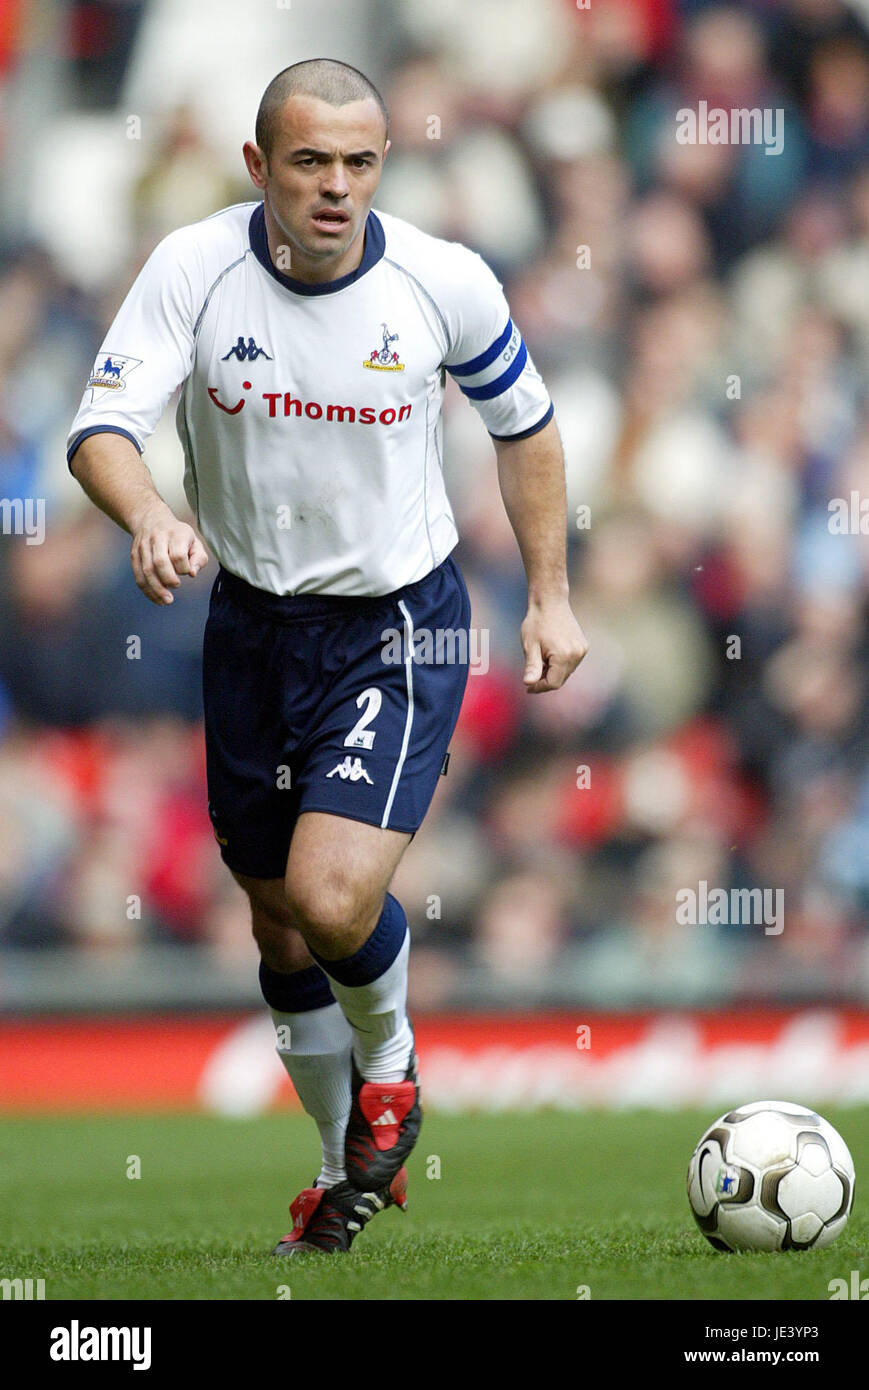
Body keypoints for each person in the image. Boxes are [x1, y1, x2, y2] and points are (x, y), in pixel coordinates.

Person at [67, 58, 588, 1256]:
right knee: (277, 927)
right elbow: (102, 428)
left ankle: (394, 1068)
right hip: (250, 628)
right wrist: (147, 510)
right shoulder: (192, 269)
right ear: (259, 166)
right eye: (310, 161)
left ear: (383, 165)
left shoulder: (439, 280)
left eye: (359, 161)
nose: (336, 187)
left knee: (331, 893)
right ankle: (336, 1169)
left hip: (393, 624)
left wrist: (551, 598)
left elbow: (529, 426)